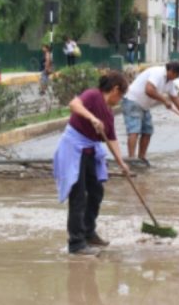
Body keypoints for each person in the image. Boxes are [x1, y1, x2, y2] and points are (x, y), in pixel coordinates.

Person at [52, 72, 130, 255]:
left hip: (90, 153)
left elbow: (112, 140)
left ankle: (88, 232)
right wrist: (92, 118)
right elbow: (74, 104)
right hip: (73, 149)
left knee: (96, 191)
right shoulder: (93, 95)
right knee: (78, 196)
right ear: (115, 90)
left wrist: (122, 163)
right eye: (121, 95)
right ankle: (76, 243)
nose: (120, 100)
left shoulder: (109, 114)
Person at [122, 62, 179, 163]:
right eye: (177, 75)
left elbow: (175, 98)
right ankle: (131, 159)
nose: (176, 77)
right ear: (171, 71)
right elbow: (149, 90)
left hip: (145, 105)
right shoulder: (158, 73)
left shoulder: (170, 82)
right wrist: (164, 100)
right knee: (134, 130)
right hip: (133, 101)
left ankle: (141, 158)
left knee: (147, 131)